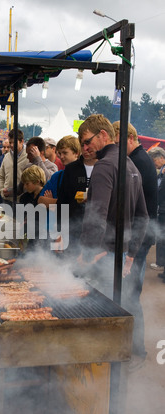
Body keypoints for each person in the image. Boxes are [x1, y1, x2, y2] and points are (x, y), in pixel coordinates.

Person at [77, 114, 149, 306]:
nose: (84, 148)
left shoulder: (104, 166)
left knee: (97, 312)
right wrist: (131, 254)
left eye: (87, 142)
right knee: (116, 309)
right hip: (120, 254)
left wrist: (87, 253)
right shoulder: (130, 165)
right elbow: (143, 217)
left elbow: (97, 216)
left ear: (102, 135)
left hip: (103, 256)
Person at [113, 121, 158, 360]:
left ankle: (137, 350)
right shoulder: (139, 159)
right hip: (140, 237)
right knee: (129, 294)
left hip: (138, 241)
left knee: (131, 295)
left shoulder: (137, 162)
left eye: (118, 142)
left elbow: (136, 208)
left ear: (130, 138)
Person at [0, 129, 29, 204]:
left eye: (14, 142)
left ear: (21, 141)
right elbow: (1, 176)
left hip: (22, 201)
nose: (11, 145)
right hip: (7, 200)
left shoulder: (28, 157)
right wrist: (2, 191)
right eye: (10, 142)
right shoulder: (6, 157)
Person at [19, 165, 46, 249]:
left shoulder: (46, 195)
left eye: (27, 184)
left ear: (37, 181)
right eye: (24, 184)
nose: (25, 187)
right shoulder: (25, 197)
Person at [148, 147, 165, 278]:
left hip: (163, 209)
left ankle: (161, 263)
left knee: (162, 237)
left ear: (160, 158)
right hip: (161, 208)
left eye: (154, 161)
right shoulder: (162, 171)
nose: (154, 165)